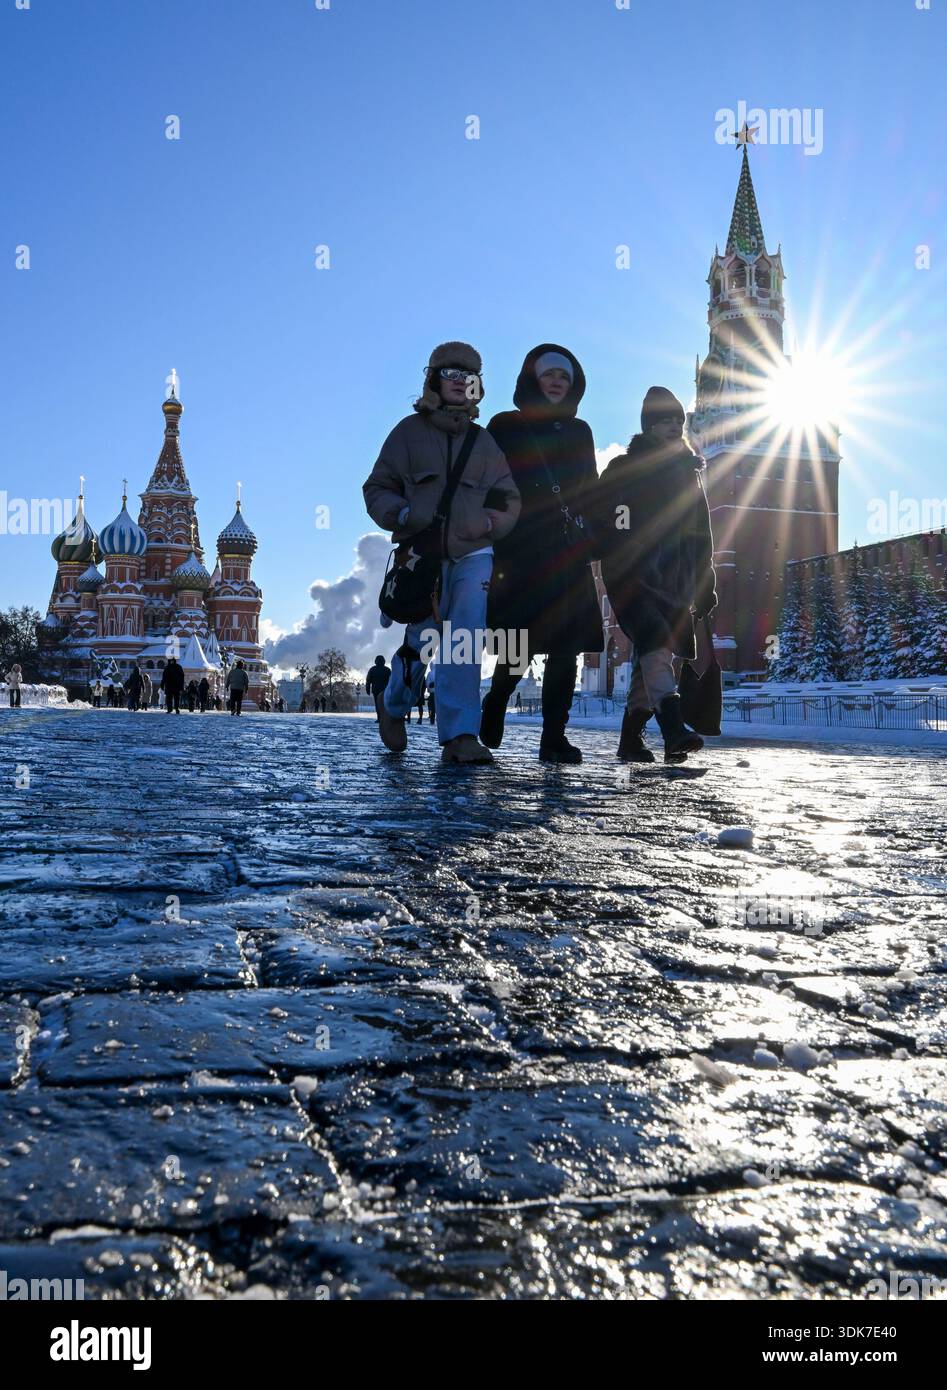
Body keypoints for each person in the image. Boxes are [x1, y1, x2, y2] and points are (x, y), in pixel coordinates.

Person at [363, 340, 521, 763]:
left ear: (477, 387)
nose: (459, 382)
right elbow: (377, 488)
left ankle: (460, 735)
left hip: (474, 553)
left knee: (465, 639)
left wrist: (489, 524)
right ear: (433, 380)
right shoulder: (408, 434)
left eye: (467, 377)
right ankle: (392, 704)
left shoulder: (484, 443)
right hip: (423, 554)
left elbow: (509, 498)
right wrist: (402, 515)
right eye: (450, 374)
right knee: (423, 640)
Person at [479, 345, 603, 764]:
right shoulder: (505, 425)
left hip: (566, 549)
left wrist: (596, 532)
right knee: (519, 641)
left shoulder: (580, 431)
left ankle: (554, 736)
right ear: (532, 378)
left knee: (565, 647)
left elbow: (590, 487)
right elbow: (487, 480)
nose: (556, 382)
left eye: (564, 377)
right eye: (549, 374)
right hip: (520, 546)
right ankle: (496, 700)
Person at [596, 387, 717, 764]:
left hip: (675, 582)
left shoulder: (689, 475)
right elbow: (607, 517)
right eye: (665, 420)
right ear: (649, 425)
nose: (673, 427)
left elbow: (701, 533)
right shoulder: (623, 468)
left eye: (678, 421)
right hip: (631, 576)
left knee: (657, 653)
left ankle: (630, 740)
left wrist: (705, 582)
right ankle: (672, 727)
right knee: (655, 640)